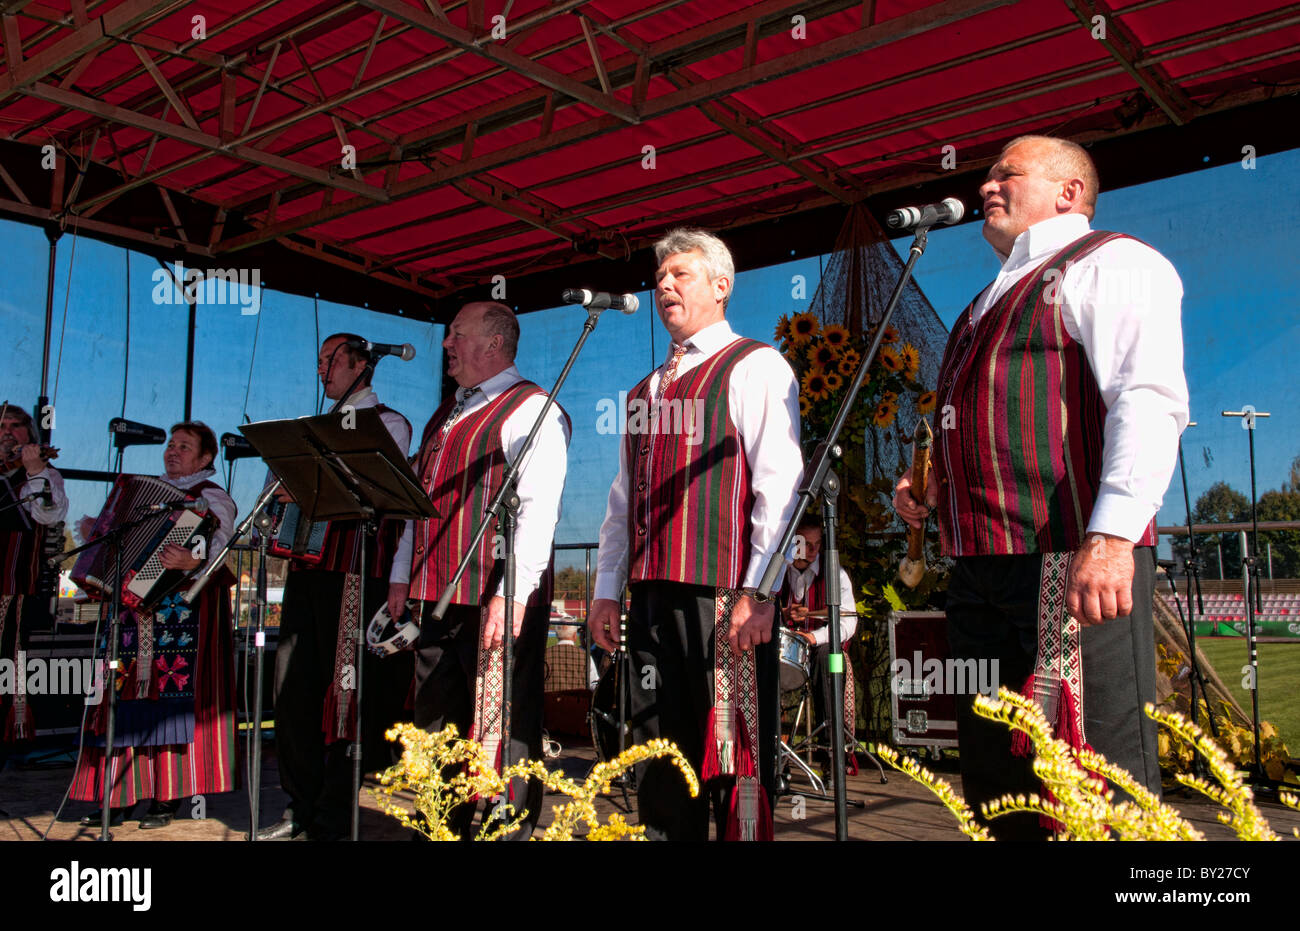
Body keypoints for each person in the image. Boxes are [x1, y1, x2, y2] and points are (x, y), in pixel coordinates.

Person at [893, 135, 1188, 839]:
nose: (986, 185)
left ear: (1068, 193)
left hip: (1069, 563)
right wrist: (934, 490)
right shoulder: (978, 307)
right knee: (1000, 780)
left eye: (1007, 173)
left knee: (1092, 773)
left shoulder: (1111, 261)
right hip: (978, 573)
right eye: (987, 174)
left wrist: (1113, 537)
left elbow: (1148, 398)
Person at [589, 228, 802, 841]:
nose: (663, 285)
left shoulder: (755, 364)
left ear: (721, 285)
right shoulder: (642, 391)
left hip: (723, 597)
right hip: (652, 595)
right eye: (659, 277)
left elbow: (781, 486)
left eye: (679, 274)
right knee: (658, 748)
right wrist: (606, 588)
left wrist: (760, 591)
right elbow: (622, 502)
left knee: (731, 748)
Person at [388, 301, 569, 840]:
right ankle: (441, 826)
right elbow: (420, 503)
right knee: (435, 721)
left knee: (502, 724)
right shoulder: (444, 415)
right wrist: (402, 572)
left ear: (494, 344)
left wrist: (511, 594)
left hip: (494, 596)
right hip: (436, 595)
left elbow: (540, 508)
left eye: (456, 334)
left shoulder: (531, 408)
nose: (446, 344)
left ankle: (503, 832)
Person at [261, 334, 414, 840]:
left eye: (330, 361)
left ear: (360, 365)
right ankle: (298, 804)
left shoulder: (389, 422)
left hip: (353, 572)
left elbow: (371, 489)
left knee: (343, 692)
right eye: (319, 361)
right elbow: (273, 499)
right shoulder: (307, 429)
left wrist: (306, 479)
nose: (322, 370)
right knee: (293, 690)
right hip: (306, 573)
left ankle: (333, 810)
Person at [70, 421, 238, 829]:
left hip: (179, 616)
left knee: (169, 703)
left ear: (205, 458)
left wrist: (195, 562)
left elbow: (221, 548)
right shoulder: (141, 494)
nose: (172, 451)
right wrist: (99, 533)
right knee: (120, 697)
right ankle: (119, 795)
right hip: (130, 617)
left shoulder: (211, 498)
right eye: (170, 445)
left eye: (184, 446)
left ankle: (167, 797)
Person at [0, 403, 68, 745]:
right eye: (2, 426)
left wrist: (35, 469)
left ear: (30, 435)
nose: (6, 432)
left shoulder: (44, 475)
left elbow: (46, 514)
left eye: (15, 426)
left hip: (8, 592)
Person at [781, 517, 858, 756]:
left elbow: (849, 620)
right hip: (784, 649)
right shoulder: (777, 570)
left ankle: (832, 751)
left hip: (824, 651)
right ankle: (770, 749)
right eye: (807, 544)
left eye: (818, 543)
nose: (814, 551)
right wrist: (780, 614)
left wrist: (814, 637)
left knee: (832, 659)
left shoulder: (835, 573)